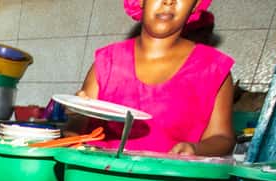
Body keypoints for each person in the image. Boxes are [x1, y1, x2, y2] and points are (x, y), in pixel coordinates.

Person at [78, 0, 235, 156]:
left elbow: (222, 137)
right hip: (100, 171)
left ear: (195, 4)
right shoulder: (107, 62)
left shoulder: (213, 68)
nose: (169, 2)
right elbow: (76, 128)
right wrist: (74, 115)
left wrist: (195, 149)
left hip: (168, 172)